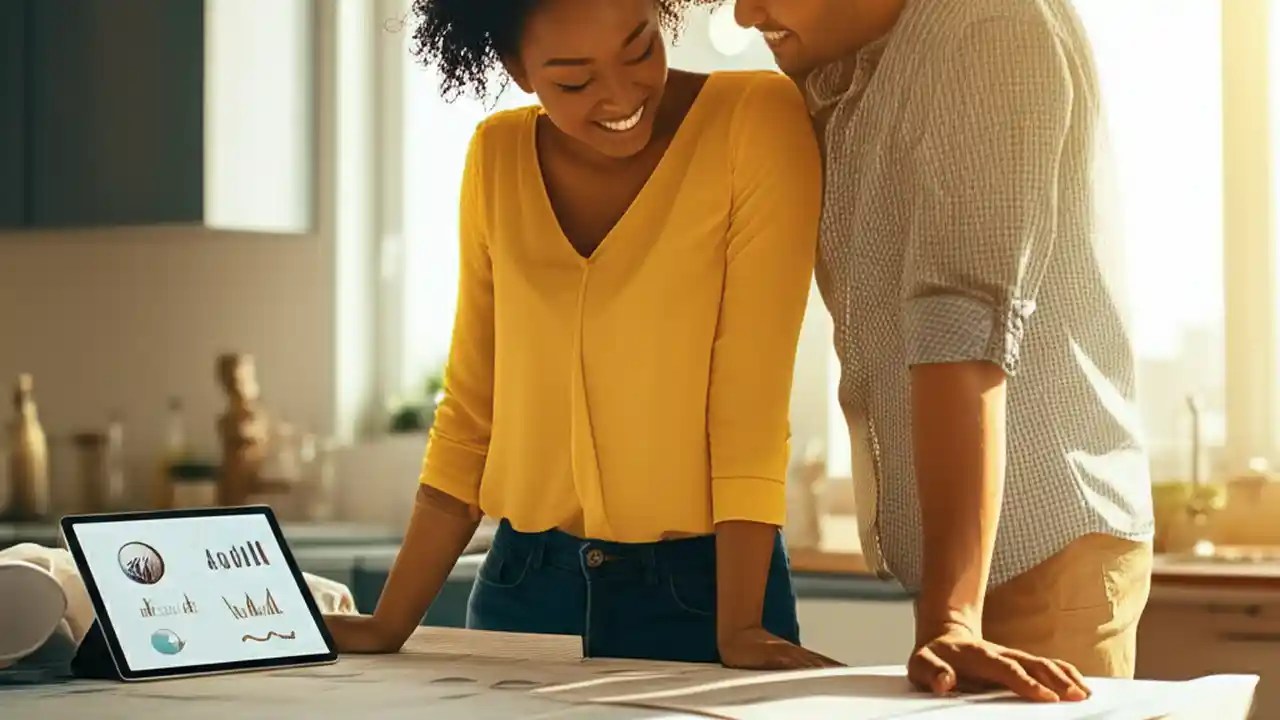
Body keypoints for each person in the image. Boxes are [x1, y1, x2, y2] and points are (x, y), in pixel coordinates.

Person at [325, 0, 836, 669]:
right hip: (522, 592)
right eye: (574, 81)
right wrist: (390, 622)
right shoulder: (497, 157)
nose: (621, 96)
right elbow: (471, 415)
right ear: (518, 69)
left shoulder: (753, 119)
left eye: (639, 50)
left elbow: (750, 399)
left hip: (702, 593)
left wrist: (737, 626)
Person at [732, 0, 1155, 702]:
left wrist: (953, 615)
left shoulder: (992, 26)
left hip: (1046, 555)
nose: (746, 15)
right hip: (975, 570)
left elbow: (963, 323)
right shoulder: (858, 63)